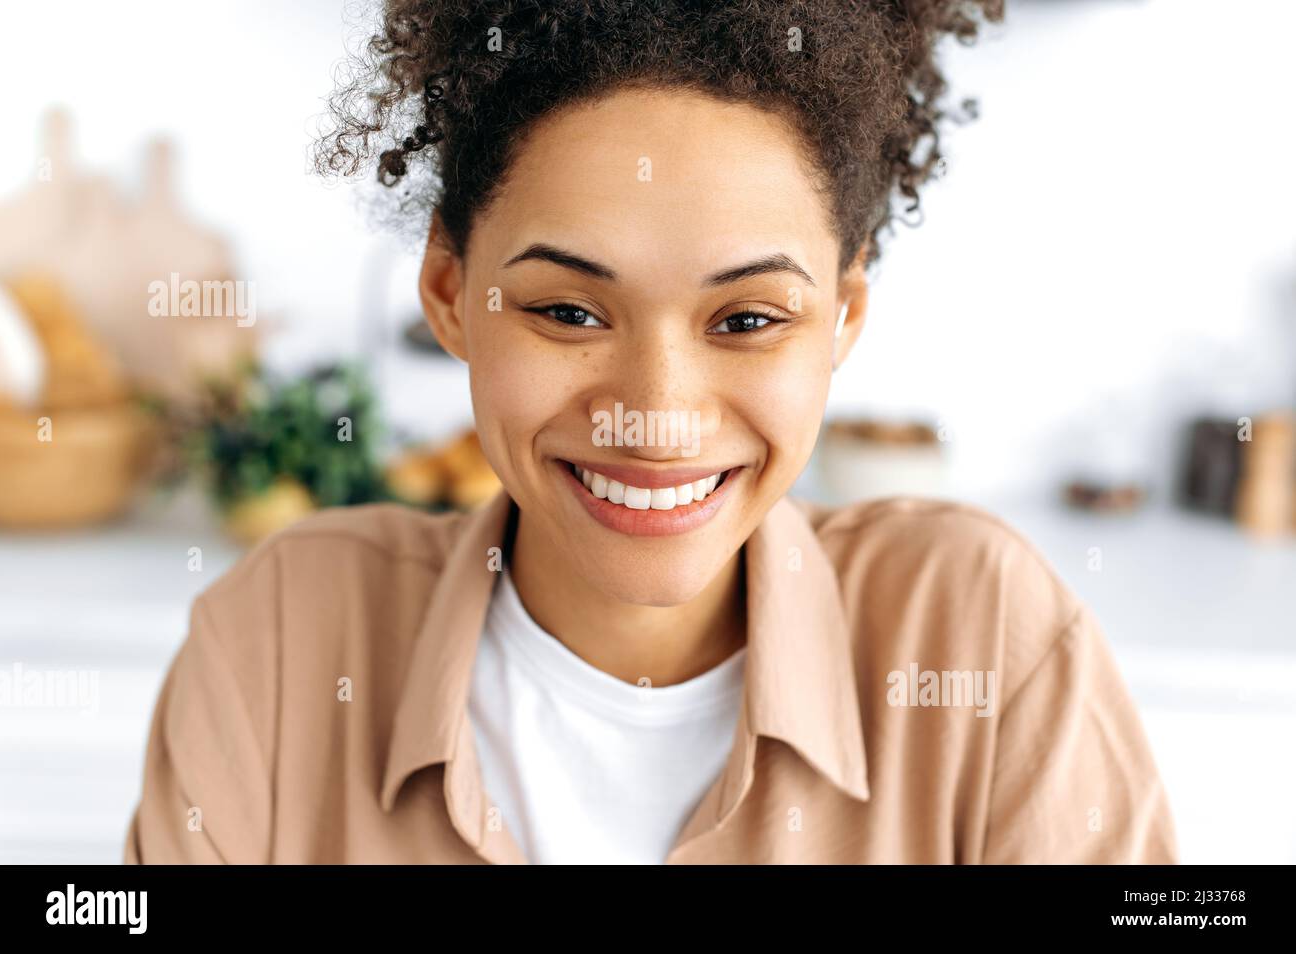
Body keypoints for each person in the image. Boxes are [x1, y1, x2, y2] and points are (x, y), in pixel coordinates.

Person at [124, 0, 1177, 864]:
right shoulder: (278, 639)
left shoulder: (983, 634)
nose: (655, 413)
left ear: (844, 316)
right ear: (450, 289)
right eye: (568, 313)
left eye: (749, 320)